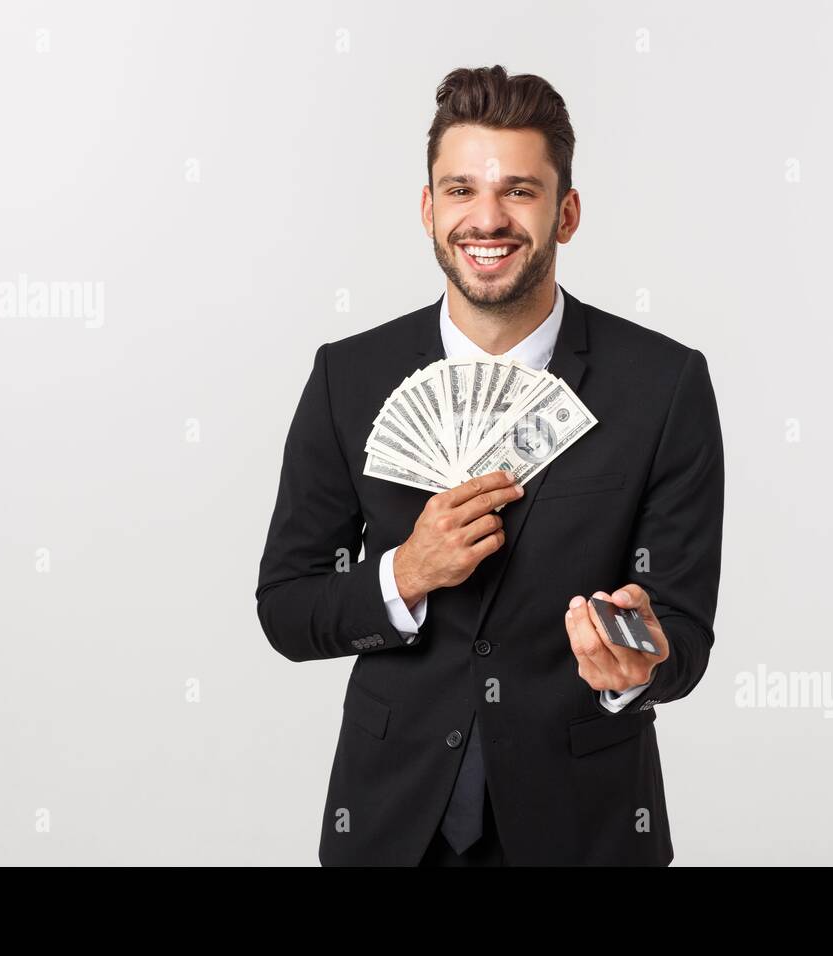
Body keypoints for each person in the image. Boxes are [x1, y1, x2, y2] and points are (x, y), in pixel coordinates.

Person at [255, 64, 724, 866]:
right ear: (429, 209)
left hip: (584, 826)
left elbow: (683, 632)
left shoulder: (663, 384)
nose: (487, 218)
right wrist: (404, 573)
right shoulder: (348, 376)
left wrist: (635, 663)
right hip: (389, 822)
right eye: (462, 189)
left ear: (566, 213)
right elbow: (287, 608)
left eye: (519, 191)